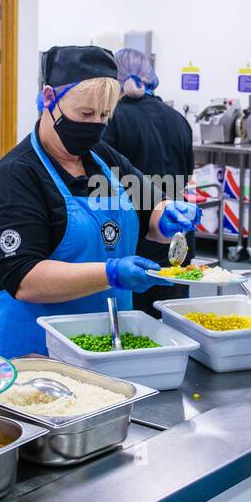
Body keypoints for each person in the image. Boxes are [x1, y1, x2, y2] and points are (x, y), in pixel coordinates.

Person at [0, 45, 198, 357]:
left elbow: (150, 209)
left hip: (102, 347)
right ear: (49, 98)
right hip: (33, 354)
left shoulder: (102, 160)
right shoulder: (17, 176)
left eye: (105, 116)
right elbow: (25, 279)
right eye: (85, 114)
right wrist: (111, 273)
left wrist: (167, 216)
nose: (95, 125)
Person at [101, 48, 196, 316]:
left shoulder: (113, 119)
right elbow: (186, 173)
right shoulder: (178, 120)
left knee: (136, 328)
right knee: (175, 320)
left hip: (133, 240)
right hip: (178, 235)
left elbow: (103, 181)